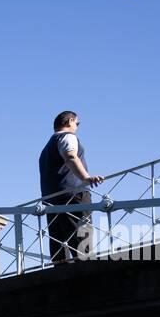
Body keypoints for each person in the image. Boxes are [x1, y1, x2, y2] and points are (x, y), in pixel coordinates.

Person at [38, 110, 104, 264]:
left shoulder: (45, 149)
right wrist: (86, 177)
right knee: (82, 241)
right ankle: (87, 273)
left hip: (51, 201)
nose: (77, 127)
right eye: (77, 123)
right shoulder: (67, 137)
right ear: (70, 121)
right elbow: (70, 156)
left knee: (58, 244)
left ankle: (62, 279)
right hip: (74, 195)